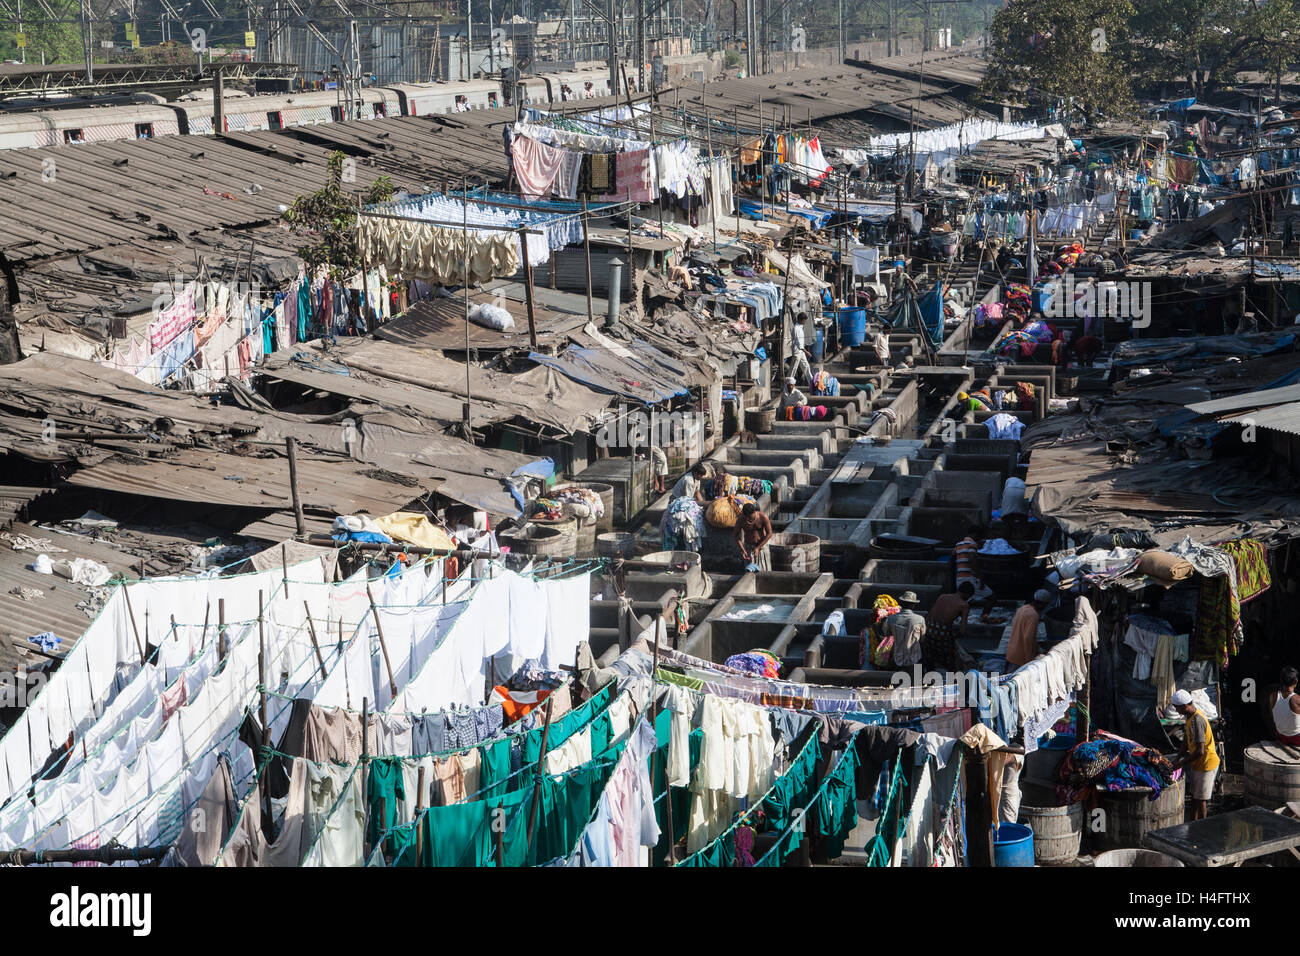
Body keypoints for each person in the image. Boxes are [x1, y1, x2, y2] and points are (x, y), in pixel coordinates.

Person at [1172, 689, 1219, 820]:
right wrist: (1177, 758)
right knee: (1194, 796)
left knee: (1201, 800)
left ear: (1185, 706)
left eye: (1177, 708)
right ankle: (1192, 823)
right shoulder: (1189, 718)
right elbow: (1186, 741)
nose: (1176, 711)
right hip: (1197, 764)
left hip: (1206, 765)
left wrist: (1181, 763)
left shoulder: (1197, 720)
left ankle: (1202, 827)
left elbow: (1200, 751)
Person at [924, 582, 974, 672]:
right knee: (951, 660)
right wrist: (955, 636)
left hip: (929, 628)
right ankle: (953, 682)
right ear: (968, 595)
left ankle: (929, 679)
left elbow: (929, 615)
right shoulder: (964, 605)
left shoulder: (942, 596)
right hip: (942, 633)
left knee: (930, 657)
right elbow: (962, 630)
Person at [1005, 589, 1051, 671]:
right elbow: (1028, 639)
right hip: (1021, 657)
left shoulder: (1022, 608)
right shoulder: (1033, 615)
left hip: (1012, 652)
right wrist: (1029, 661)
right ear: (1043, 604)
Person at [889, 590, 927, 670]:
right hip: (915, 659)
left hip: (897, 659)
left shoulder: (891, 618)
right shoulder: (920, 619)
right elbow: (923, 639)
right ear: (914, 605)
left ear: (901, 603)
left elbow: (887, 634)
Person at [735, 502, 773, 571]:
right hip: (748, 548)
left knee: (764, 570)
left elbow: (769, 534)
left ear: (754, 512)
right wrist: (743, 550)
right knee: (749, 572)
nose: (748, 519)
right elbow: (736, 535)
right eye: (746, 517)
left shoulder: (763, 517)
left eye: (750, 517)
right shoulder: (741, 519)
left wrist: (758, 548)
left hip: (762, 548)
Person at [1271, 667, 1300, 745]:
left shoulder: (1273, 696)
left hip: (1281, 736)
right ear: (1296, 682)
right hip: (1297, 739)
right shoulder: (1297, 699)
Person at [953, 525, 982, 591]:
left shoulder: (958, 544)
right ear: (976, 534)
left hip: (959, 578)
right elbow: (972, 558)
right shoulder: (973, 544)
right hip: (970, 578)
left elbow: (953, 555)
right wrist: (979, 575)